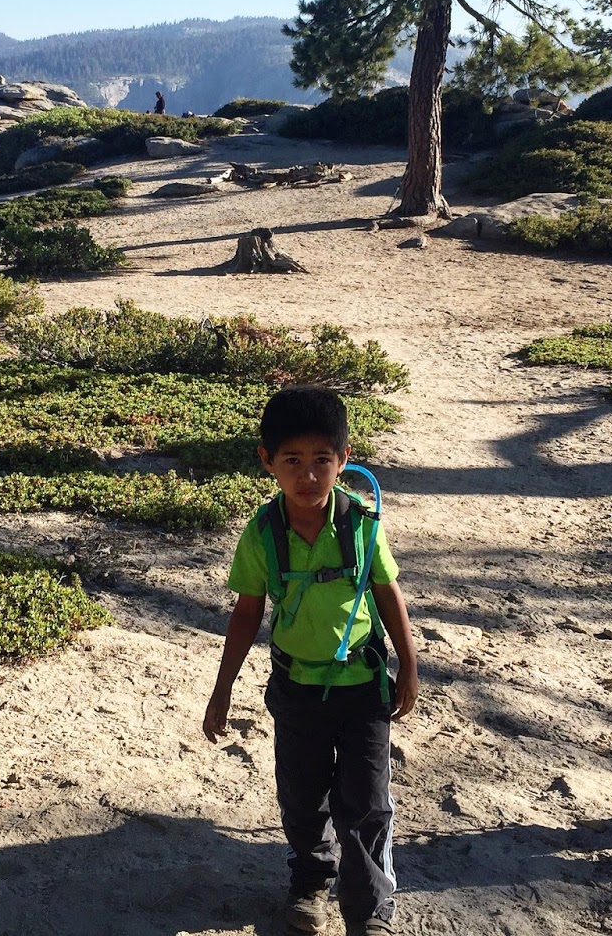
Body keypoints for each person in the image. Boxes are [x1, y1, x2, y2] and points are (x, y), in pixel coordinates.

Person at [204, 385, 419, 935]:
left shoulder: (364, 526)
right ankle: (309, 883)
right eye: (292, 461)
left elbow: (389, 594)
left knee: (367, 804)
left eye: (322, 460)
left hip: (364, 687)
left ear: (343, 461)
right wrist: (223, 687)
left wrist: (409, 666)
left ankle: (371, 910)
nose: (308, 475)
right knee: (301, 798)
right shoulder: (261, 534)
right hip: (295, 688)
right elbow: (247, 613)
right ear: (267, 462)